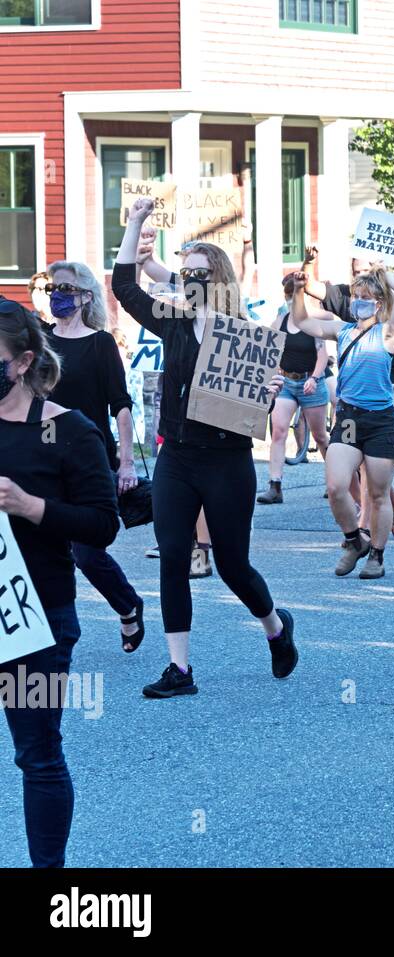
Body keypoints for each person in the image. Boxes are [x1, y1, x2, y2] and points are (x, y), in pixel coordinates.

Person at [112, 197, 298, 698]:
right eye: (184, 271)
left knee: (233, 564)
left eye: (200, 272)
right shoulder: (171, 322)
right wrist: (134, 222)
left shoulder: (245, 337)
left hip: (227, 461)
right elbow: (124, 286)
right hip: (178, 457)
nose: (190, 279)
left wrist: (269, 389)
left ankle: (276, 628)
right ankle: (180, 670)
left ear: (218, 280)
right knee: (174, 555)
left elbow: (259, 398)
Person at [0, 300, 119, 866]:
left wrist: (30, 506)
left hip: (35, 623)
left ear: (23, 362)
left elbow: (103, 523)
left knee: (37, 754)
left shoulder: (69, 431)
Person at [39, 261, 146, 651]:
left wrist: (127, 462)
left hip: (90, 459)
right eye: (53, 289)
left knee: (86, 553)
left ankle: (128, 604)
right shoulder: (40, 340)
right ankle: (57, 629)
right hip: (43, 457)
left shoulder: (101, 343)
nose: (57, 296)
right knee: (44, 547)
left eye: (65, 289)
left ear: (85, 296)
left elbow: (120, 403)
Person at [291, 265, 394, 579]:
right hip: (348, 418)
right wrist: (298, 291)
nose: (359, 302)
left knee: (377, 494)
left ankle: (377, 555)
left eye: (366, 298)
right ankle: (353, 540)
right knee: (335, 486)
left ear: (380, 303)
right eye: (356, 297)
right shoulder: (342, 330)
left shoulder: (388, 332)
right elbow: (303, 320)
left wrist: (384, 275)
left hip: (381, 421)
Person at [256, 275, 330, 506]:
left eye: (293, 295)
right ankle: (275, 485)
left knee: (320, 436)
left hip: (310, 381)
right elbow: (269, 346)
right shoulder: (280, 320)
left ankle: (336, 480)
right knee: (278, 431)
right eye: (287, 295)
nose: (289, 300)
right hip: (287, 382)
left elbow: (322, 354)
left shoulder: (312, 322)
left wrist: (316, 378)